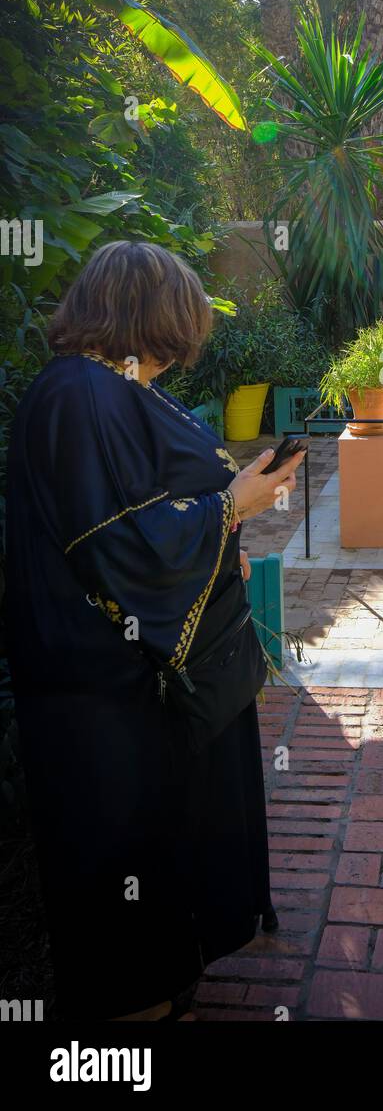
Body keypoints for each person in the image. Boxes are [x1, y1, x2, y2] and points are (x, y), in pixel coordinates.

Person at [4, 241, 305, 1020]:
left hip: (125, 681)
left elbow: (143, 518)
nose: (188, 341)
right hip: (99, 692)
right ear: (152, 317)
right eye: (183, 320)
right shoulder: (80, 395)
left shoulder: (105, 387)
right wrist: (233, 508)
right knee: (117, 857)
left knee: (149, 847)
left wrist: (220, 547)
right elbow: (120, 545)